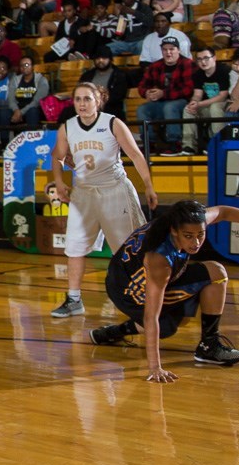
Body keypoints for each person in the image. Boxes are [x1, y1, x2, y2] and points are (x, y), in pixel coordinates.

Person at [88, 202, 239, 380]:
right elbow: (150, 316)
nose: (196, 242)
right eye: (189, 236)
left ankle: (209, 344)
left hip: (140, 275)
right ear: (174, 231)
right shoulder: (160, 259)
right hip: (127, 290)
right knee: (167, 325)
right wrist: (155, 367)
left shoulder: (188, 221)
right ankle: (115, 331)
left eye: (201, 234)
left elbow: (223, 212)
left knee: (216, 271)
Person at [50, 82, 158, 319]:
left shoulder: (112, 123)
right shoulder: (67, 128)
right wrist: (59, 182)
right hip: (84, 193)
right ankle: (74, 299)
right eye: (78, 99)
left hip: (114, 190)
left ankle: (143, 297)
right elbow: (57, 157)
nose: (82, 104)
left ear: (98, 100)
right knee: (74, 248)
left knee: (128, 249)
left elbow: (136, 156)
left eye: (87, 99)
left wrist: (149, 186)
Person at [135, 37, 195, 153]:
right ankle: (149, 144)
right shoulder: (155, 66)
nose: (168, 52)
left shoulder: (188, 64)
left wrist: (163, 94)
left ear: (178, 50)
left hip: (182, 102)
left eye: (172, 49)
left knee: (170, 107)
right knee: (142, 109)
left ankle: (174, 143)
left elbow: (188, 90)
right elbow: (142, 86)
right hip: (160, 103)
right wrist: (147, 92)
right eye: (165, 49)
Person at [175, 47, 229, 156]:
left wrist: (200, 104)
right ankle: (188, 146)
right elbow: (197, 94)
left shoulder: (224, 71)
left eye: (206, 58)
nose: (203, 62)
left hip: (226, 105)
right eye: (199, 59)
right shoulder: (198, 74)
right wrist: (194, 103)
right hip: (207, 105)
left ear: (214, 58)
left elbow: (223, 96)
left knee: (215, 107)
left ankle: (218, 144)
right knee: (188, 110)